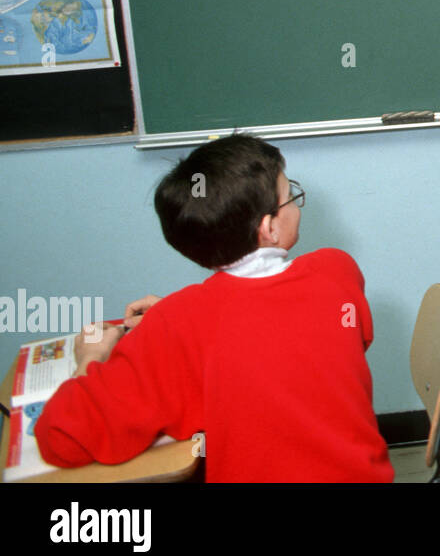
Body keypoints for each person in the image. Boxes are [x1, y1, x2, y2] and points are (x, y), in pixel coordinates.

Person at [35, 134, 394, 482]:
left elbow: (62, 437)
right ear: (269, 228)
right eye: (291, 196)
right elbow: (315, 345)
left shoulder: (178, 326)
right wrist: (186, 325)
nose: (297, 203)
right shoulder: (337, 271)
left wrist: (91, 357)